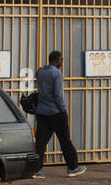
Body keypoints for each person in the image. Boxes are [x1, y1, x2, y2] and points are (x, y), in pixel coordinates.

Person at [32, 50, 85, 178]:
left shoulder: (40, 71)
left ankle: (35, 170)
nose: (62, 63)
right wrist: (63, 109)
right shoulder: (56, 74)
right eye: (61, 60)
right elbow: (57, 95)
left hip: (41, 112)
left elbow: (38, 78)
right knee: (65, 140)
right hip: (55, 112)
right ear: (57, 61)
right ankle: (73, 167)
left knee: (40, 142)